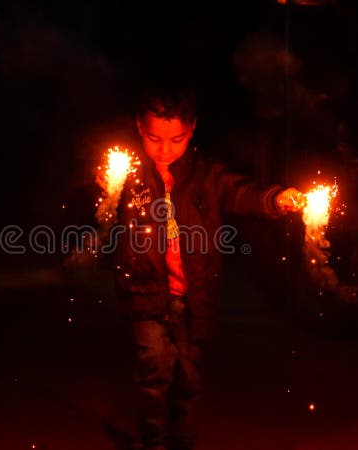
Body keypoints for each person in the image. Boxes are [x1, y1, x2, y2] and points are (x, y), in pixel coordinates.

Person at [112, 83, 303, 450]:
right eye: (154, 139)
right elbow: (98, 212)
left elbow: (242, 192)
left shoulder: (206, 175)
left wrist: (276, 199)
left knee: (189, 378)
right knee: (152, 375)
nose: (165, 150)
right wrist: (103, 192)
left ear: (192, 129)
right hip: (145, 294)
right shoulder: (127, 176)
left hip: (195, 299)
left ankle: (183, 442)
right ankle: (153, 442)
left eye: (176, 140)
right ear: (139, 127)